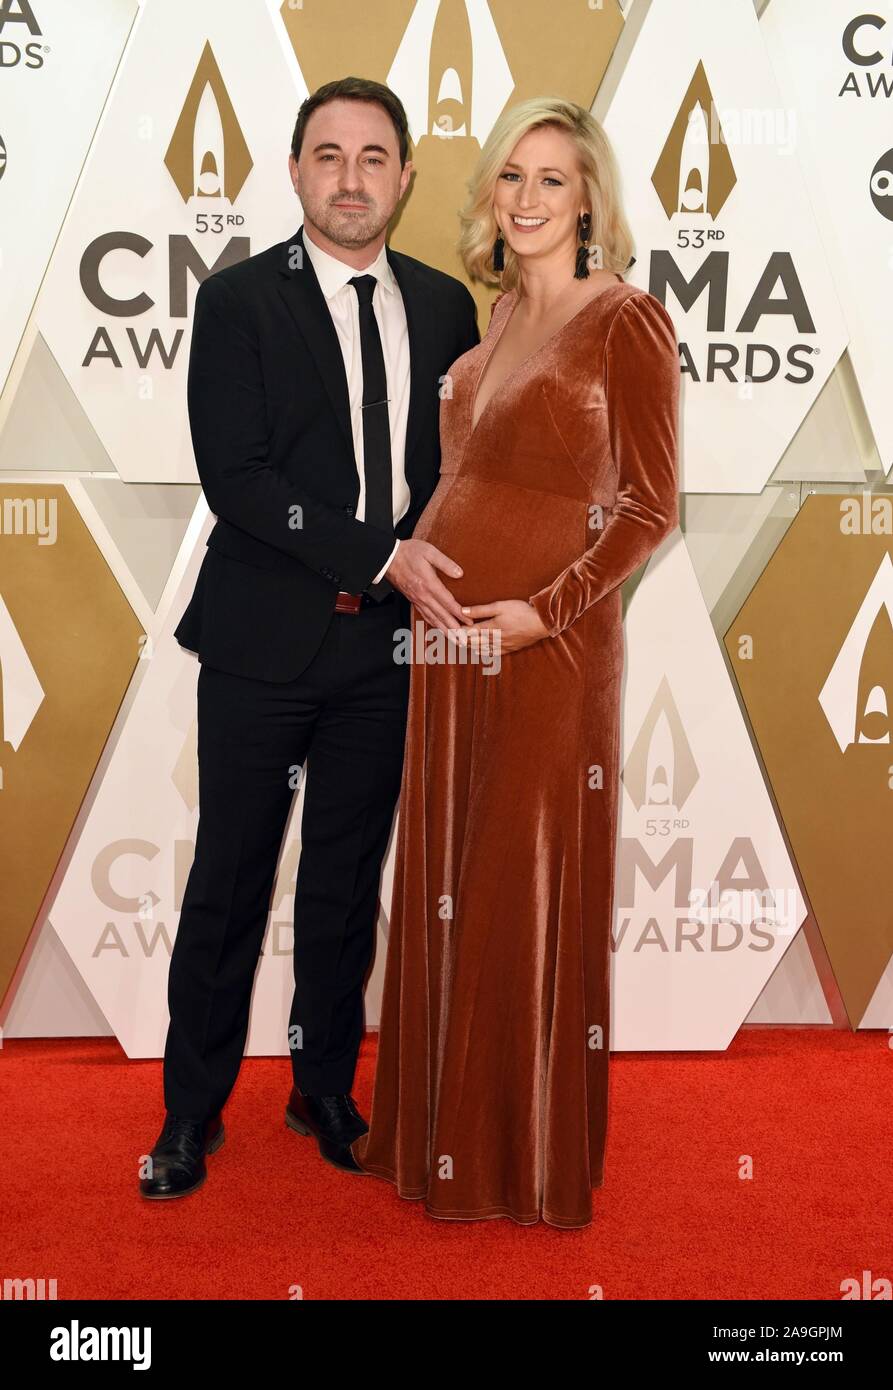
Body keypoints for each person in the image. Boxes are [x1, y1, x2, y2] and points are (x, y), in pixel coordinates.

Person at [139, 77, 479, 1200]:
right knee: (230, 881)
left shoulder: (441, 308)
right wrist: (376, 555)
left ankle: (321, 1086)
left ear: (403, 177)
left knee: (343, 883)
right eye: (326, 155)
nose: (349, 178)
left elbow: (452, 477)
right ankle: (191, 1114)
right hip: (259, 646)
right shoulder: (238, 301)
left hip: (382, 654)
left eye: (372, 157)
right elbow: (237, 478)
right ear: (293, 172)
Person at [351, 96, 681, 1228]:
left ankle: (520, 1154)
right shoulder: (490, 322)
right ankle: (445, 1137)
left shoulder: (625, 320)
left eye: (552, 180)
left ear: (588, 199)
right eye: (511, 177)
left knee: (518, 879)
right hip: (450, 640)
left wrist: (544, 614)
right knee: (449, 882)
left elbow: (646, 508)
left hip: (544, 645)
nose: (528, 198)